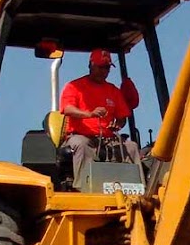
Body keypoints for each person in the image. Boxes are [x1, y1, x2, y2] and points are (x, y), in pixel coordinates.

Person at [58, 49, 142, 180]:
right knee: (81, 145)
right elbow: (67, 109)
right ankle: (83, 187)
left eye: (107, 68)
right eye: (101, 67)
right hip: (82, 136)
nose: (104, 71)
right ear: (91, 65)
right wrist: (90, 114)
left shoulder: (113, 90)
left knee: (131, 147)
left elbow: (122, 118)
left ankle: (139, 188)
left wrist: (118, 124)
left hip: (108, 138)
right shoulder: (74, 86)